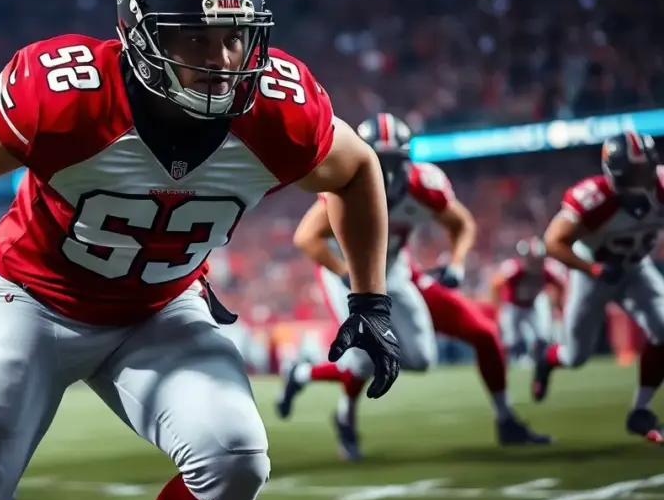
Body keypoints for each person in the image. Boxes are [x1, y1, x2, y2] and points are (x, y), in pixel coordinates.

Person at [0, 0, 401, 500]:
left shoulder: (280, 112)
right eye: (194, 38)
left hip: (161, 307)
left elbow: (356, 170)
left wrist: (370, 298)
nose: (222, 62)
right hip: (36, 302)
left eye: (234, 38)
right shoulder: (68, 98)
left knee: (235, 461)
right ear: (138, 36)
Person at [279, 113, 549, 458]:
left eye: (395, 162)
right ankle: (343, 417)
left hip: (393, 269)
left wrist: (455, 263)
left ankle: (303, 374)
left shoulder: (425, 186)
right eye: (379, 161)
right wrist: (347, 273)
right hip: (345, 270)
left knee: (422, 358)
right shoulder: (344, 186)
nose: (387, 172)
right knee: (363, 359)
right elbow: (306, 238)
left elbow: (461, 224)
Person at [536, 130, 664, 443]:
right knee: (576, 356)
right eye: (631, 174)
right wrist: (592, 269)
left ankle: (640, 410)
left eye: (643, 172)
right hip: (592, 272)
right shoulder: (593, 200)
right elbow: (552, 243)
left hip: (635, 268)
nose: (639, 181)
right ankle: (550, 358)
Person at [489, 237, 566, 364]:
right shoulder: (515, 269)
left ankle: (538, 360)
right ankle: (517, 359)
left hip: (533, 304)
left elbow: (560, 285)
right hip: (513, 305)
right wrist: (497, 309)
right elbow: (496, 284)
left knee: (542, 336)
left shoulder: (546, 270)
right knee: (512, 338)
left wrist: (558, 305)